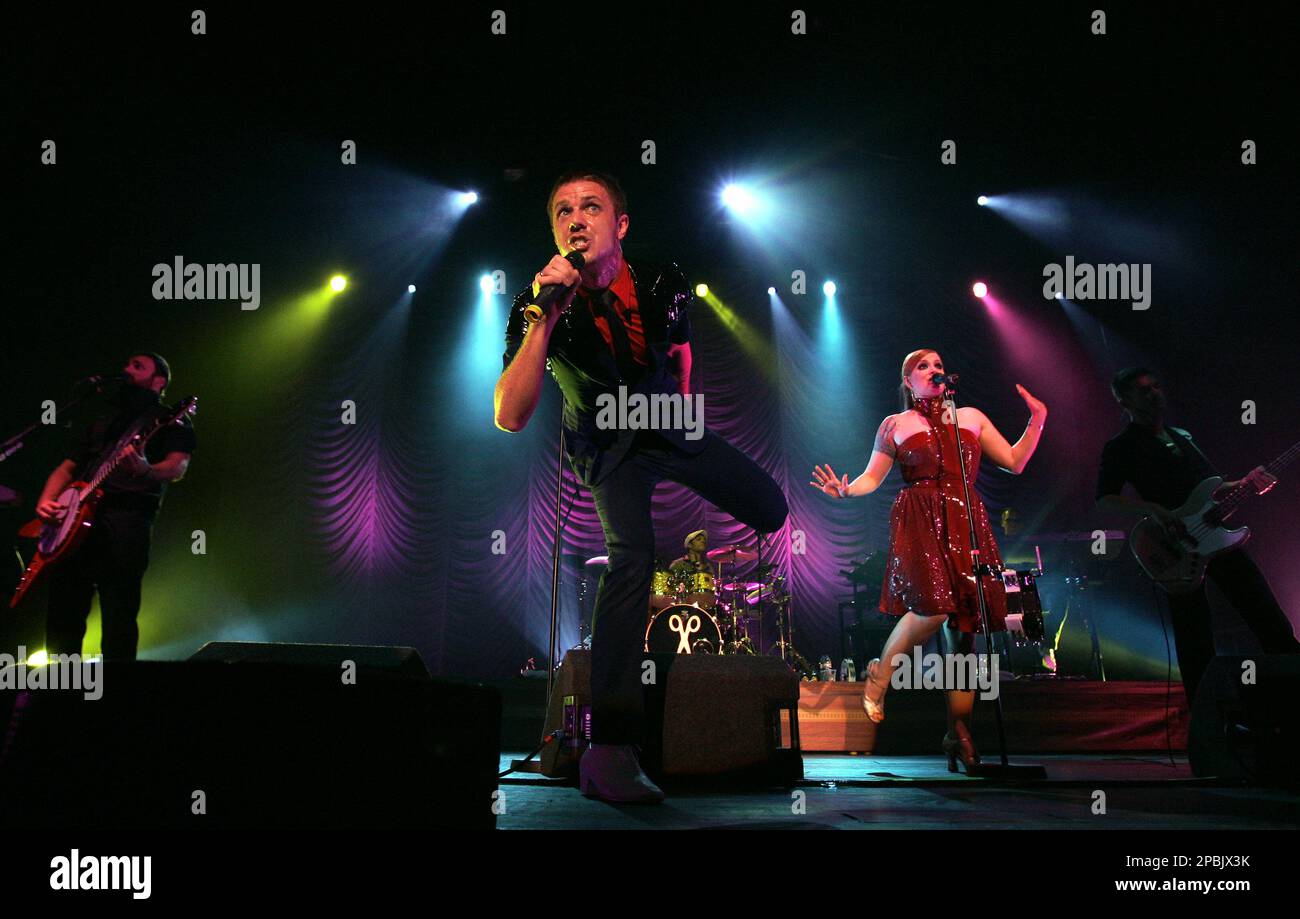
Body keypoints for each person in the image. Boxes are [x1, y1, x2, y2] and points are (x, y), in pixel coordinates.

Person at [495, 171, 788, 802]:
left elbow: (679, 351)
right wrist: (545, 318)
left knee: (771, 508)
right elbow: (510, 415)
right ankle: (610, 749)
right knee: (633, 555)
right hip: (605, 442)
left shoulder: (662, 280)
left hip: (664, 423)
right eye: (563, 211)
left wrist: (680, 413)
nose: (576, 219)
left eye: (591, 207)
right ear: (555, 231)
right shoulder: (536, 300)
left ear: (619, 225)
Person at [811, 348, 1046, 772]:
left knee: (964, 635)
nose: (934, 370)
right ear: (907, 381)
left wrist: (1037, 419)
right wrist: (845, 491)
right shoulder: (896, 425)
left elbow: (1014, 460)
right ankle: (880, 675)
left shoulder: (970, 417)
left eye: (938, 364)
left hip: (965, 519)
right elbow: (872, 476)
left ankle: (959, 735)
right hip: (919, 519)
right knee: (935, 607)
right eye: (923, 366)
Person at [1095, 367, 1298, 703]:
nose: (1155, 394)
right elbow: (1105, 498)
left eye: (1157, 387)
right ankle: (1207, 721)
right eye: (1144, 391)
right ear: (1124, 400)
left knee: (1270, 620)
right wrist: (1157, 511)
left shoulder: (1182, 436)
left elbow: (1214, 487)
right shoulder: (1122, 447)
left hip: (1217, 537)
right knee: (1195, 639)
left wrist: (1248, 484)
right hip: (1174, 549)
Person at [36, 353, 195, 660]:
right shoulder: (103, 420)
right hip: (75, 525)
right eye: (127, 364)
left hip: (126, 523)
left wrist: (146, 470)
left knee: (118, 615)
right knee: (63, 616)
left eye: (138, 366)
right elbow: (68, 467)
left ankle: (117, 697)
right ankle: (58, 696)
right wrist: (46, 500)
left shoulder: (169, 418)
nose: (126, 369)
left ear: (158, 381)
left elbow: (178, 466)